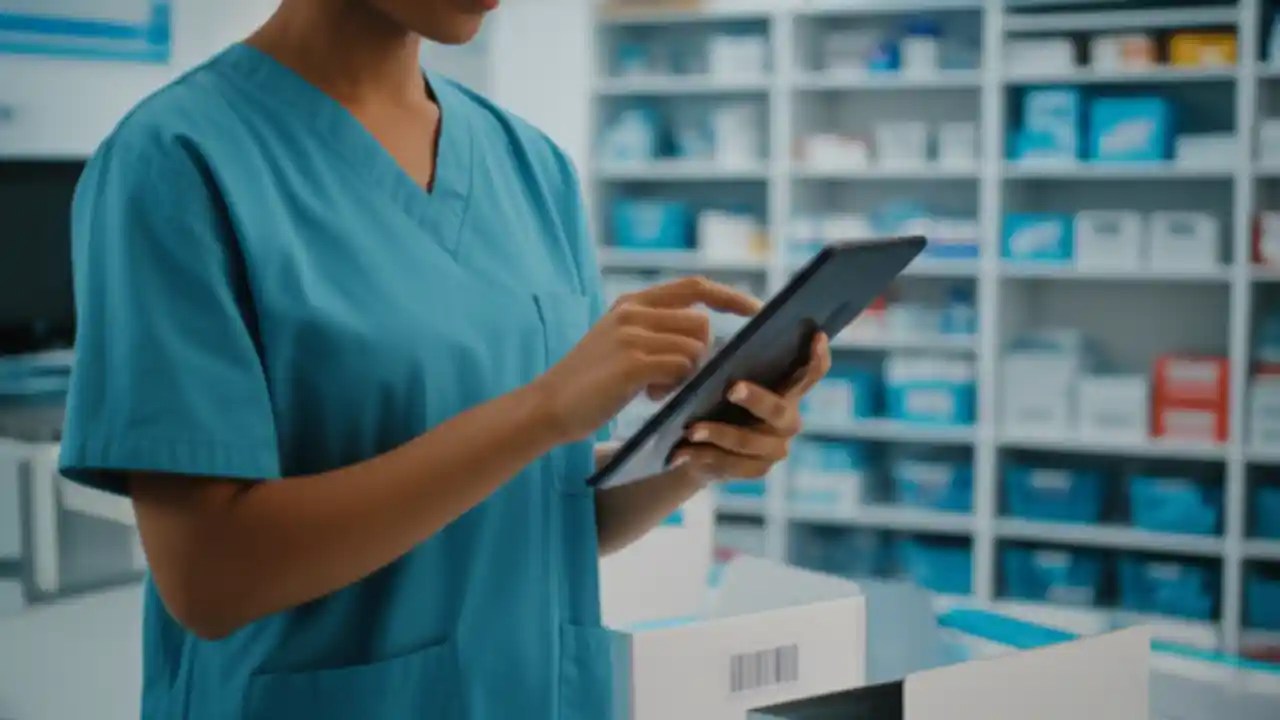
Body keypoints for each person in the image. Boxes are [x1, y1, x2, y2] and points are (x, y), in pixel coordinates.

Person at [59, 0, 832, 718]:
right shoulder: (175, 162)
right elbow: (211, 577)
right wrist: (542, 411)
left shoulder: (531, 168)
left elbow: (534, 513)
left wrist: (695, 453)